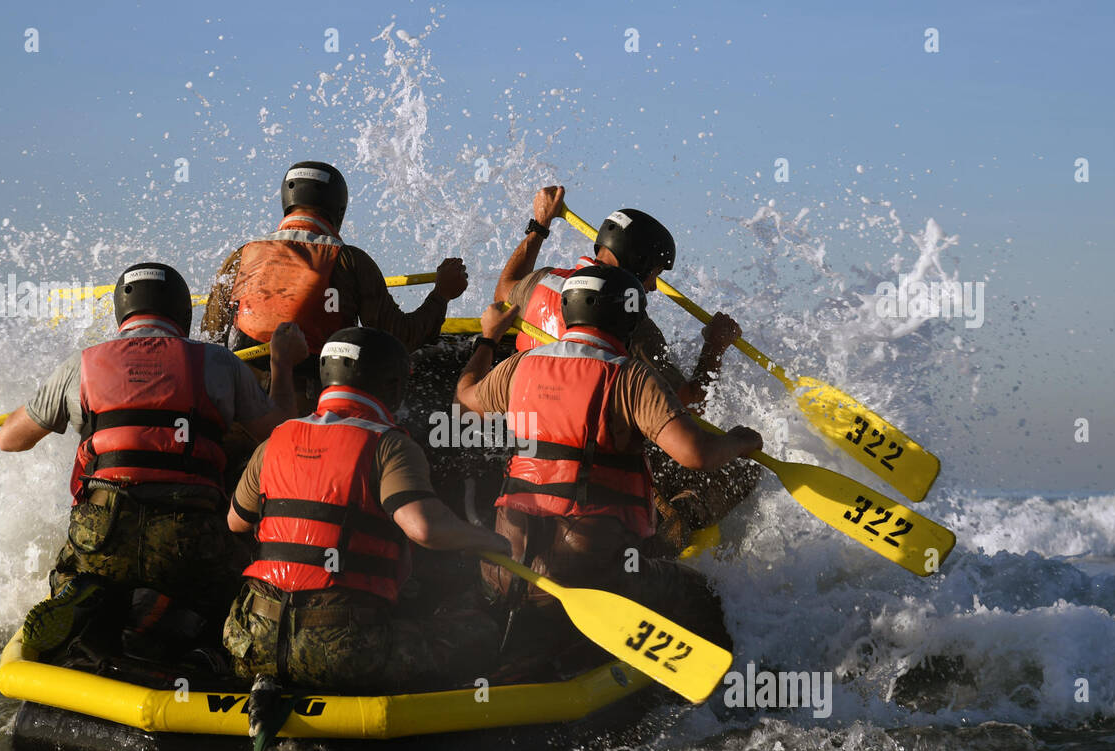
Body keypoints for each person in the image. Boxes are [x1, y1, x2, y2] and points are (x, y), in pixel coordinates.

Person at [456, 265, 763, 679]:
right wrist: (742, 441)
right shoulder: (629, 376)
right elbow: (696, 454)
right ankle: (721, 695)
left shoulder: (519, 366)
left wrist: (488, 337)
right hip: (585, 574)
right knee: (702, 595)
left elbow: (465, 399)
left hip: (503, 571)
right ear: (629, 317)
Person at [0, 262, 310, 655]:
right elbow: (283, 434)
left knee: (90, 565)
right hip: (187, 536)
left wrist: (45, 400)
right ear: (182, 311)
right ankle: (169, 625)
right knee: (225, 585)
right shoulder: (218, 363)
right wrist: (283, 364)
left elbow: (10, 440)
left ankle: (83, 591)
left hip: (102, 533)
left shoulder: (80, 365)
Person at [222, 326, 510, 696]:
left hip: (250, 640)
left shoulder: (277, 437)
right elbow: (424, 528)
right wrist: (489, 540)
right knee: (478, 632)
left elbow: (235, 520)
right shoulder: (389, 445)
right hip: (341, 652)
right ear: (390, 386)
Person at [493, 186, 758, 542]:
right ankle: (672, 535)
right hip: (597, 469)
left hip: (532, 457)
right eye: (654, 276)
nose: (652, 288)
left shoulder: (540, 283)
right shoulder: (632, 324)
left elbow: (502, 292)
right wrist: (715, 347)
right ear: (636, 266)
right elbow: (690, 404)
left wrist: (539, 225)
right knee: (740, 468)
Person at [199, 160, 470, 415]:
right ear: (339, 211)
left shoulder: (241, 256)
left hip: (241, 404)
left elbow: (210, 337)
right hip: (309, 408)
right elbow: (400, 339)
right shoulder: (350, 261)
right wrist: (441, 294)